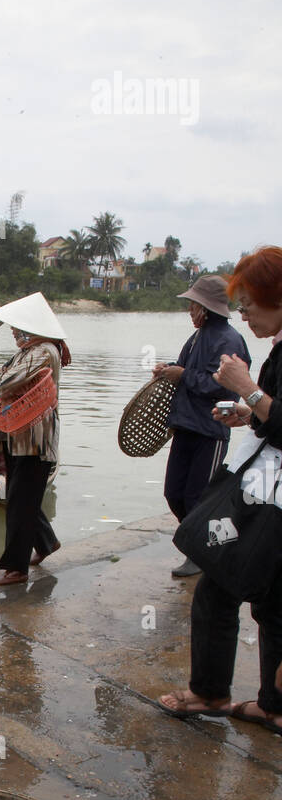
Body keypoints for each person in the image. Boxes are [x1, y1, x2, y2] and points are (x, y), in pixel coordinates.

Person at [158, 245, 282, 735]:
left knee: (217, 584)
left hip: (269, 498)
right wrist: (251, 412)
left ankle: (208, 692)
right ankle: (273, 705)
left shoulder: (244, 346)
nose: (245, 313)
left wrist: (247, 389)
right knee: (273, 601)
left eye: (250, 302)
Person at [154, 275, 251, 577]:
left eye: (193, 305)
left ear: (206, 309)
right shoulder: (196, 338)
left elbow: (223, 386)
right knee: (174, 493)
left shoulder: (230, 340)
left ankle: (201, 552)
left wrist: (182, 375)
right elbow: (188, 369)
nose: (190, 311)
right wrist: (169, 369)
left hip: (210, 429)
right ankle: (201, 545)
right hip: (185, 426)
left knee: (198, 496)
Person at [0, 293, 69, 586]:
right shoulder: (29, 351)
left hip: (34, 441)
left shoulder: (42, 351)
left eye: (16, 327)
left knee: (19, 503)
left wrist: (1, 378)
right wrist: (2, 377)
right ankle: (46, 542)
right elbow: (2, 378)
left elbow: (3, 383)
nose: (13, 332)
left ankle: (16, 569)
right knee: (21, 496)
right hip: (19, 435)